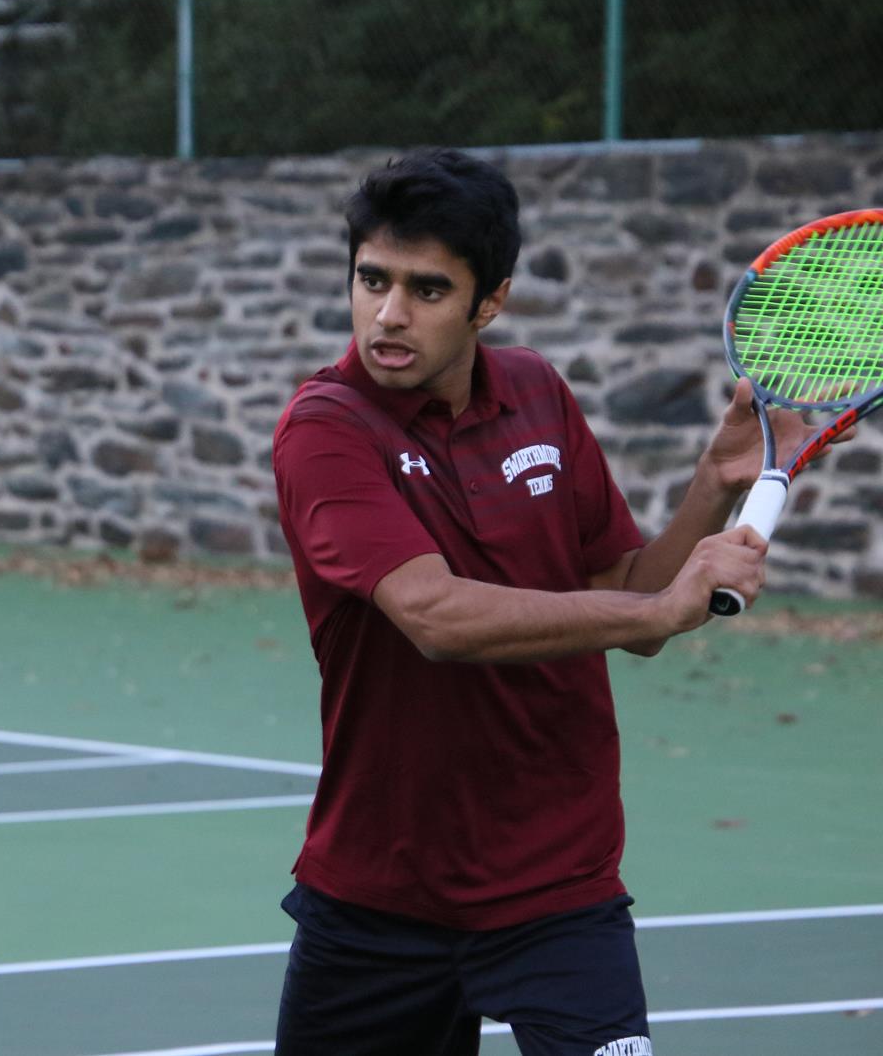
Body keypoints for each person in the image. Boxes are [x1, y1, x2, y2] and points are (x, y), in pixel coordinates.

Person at [269, 148, 837, 1055]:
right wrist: (661, 611)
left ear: (489, 302)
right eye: (372, 280)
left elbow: (626, 593)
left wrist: (714, 484)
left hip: (560, 885)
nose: (389, 314)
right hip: (380, 896)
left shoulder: (536, 392)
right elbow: (436, 617)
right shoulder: (325, 430)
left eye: (427, 289)